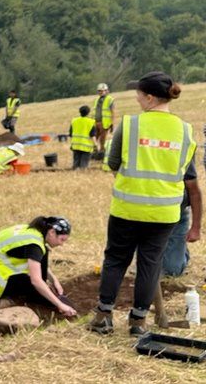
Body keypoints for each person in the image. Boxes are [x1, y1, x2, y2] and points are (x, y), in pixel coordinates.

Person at [89, 71, 197, 336]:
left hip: (128, 208)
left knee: (116, 259)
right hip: (165, 212)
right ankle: (138, 322)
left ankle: (104, 317)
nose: (136, 99)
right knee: (150, 264)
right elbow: (186, 172)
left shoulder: (130, 125)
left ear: (149, 97)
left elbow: (113, 163)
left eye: (138, 95)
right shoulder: (185, 131)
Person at [0, 216, 77, 317]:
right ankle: (2, 298)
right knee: (32, 287)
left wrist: (54, 280)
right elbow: (36, 281)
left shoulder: (34, 232)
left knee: (44, 253)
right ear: (52, 232)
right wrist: (60, 304)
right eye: (62, 239)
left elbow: (37, 259)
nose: (62, 244)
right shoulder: (34, 246)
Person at [161, 157, 202, 277]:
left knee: (172, 271)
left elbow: (194, 191)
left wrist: (196, 228)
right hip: (145, 216)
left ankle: (180, 250)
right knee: (147, 267)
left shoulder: (180, 146)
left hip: (176, 214)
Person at [69, 105, 97, 170]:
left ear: (80, 112)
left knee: (75, 164)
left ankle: (75, 173)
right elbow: (92, 135)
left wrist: (72, 144)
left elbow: (71, 134)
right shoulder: (90, 122)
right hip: (86, 147)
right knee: (83, 165)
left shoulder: (74, 121)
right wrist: (95, 145)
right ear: (88, 113)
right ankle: (81, 174)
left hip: (75, 145)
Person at [93, 83, 116, 159]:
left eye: (103, 91)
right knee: (94, 138)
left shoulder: (110, 100)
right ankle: (95, 153)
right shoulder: (96, 100)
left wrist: (112, 123)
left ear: (107, 91)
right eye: (100, 91)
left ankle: (102, 153)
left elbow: (113, 112)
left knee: (102, 140)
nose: (101, 92)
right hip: (96, 122)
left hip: (104, 123)